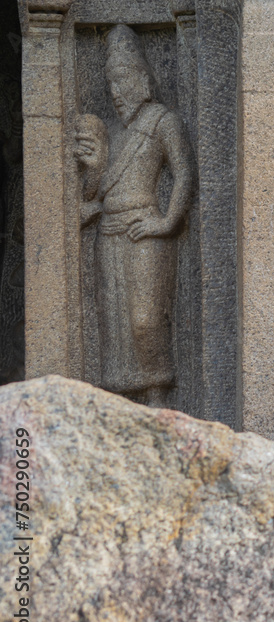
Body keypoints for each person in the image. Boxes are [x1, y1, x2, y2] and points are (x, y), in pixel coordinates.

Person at [74, 24, 194, 408]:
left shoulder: (162, 122)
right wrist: (92, 168)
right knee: (114, 322)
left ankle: (158, 395)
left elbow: (184, 174)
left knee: (145, 319)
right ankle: (119, 401)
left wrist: (167, 222)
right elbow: (95, 192)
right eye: (111, 83)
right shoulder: (109, 131)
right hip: (108, 234)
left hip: (145, 230)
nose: (116, 92)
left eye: (123, 80)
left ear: (143, 78)